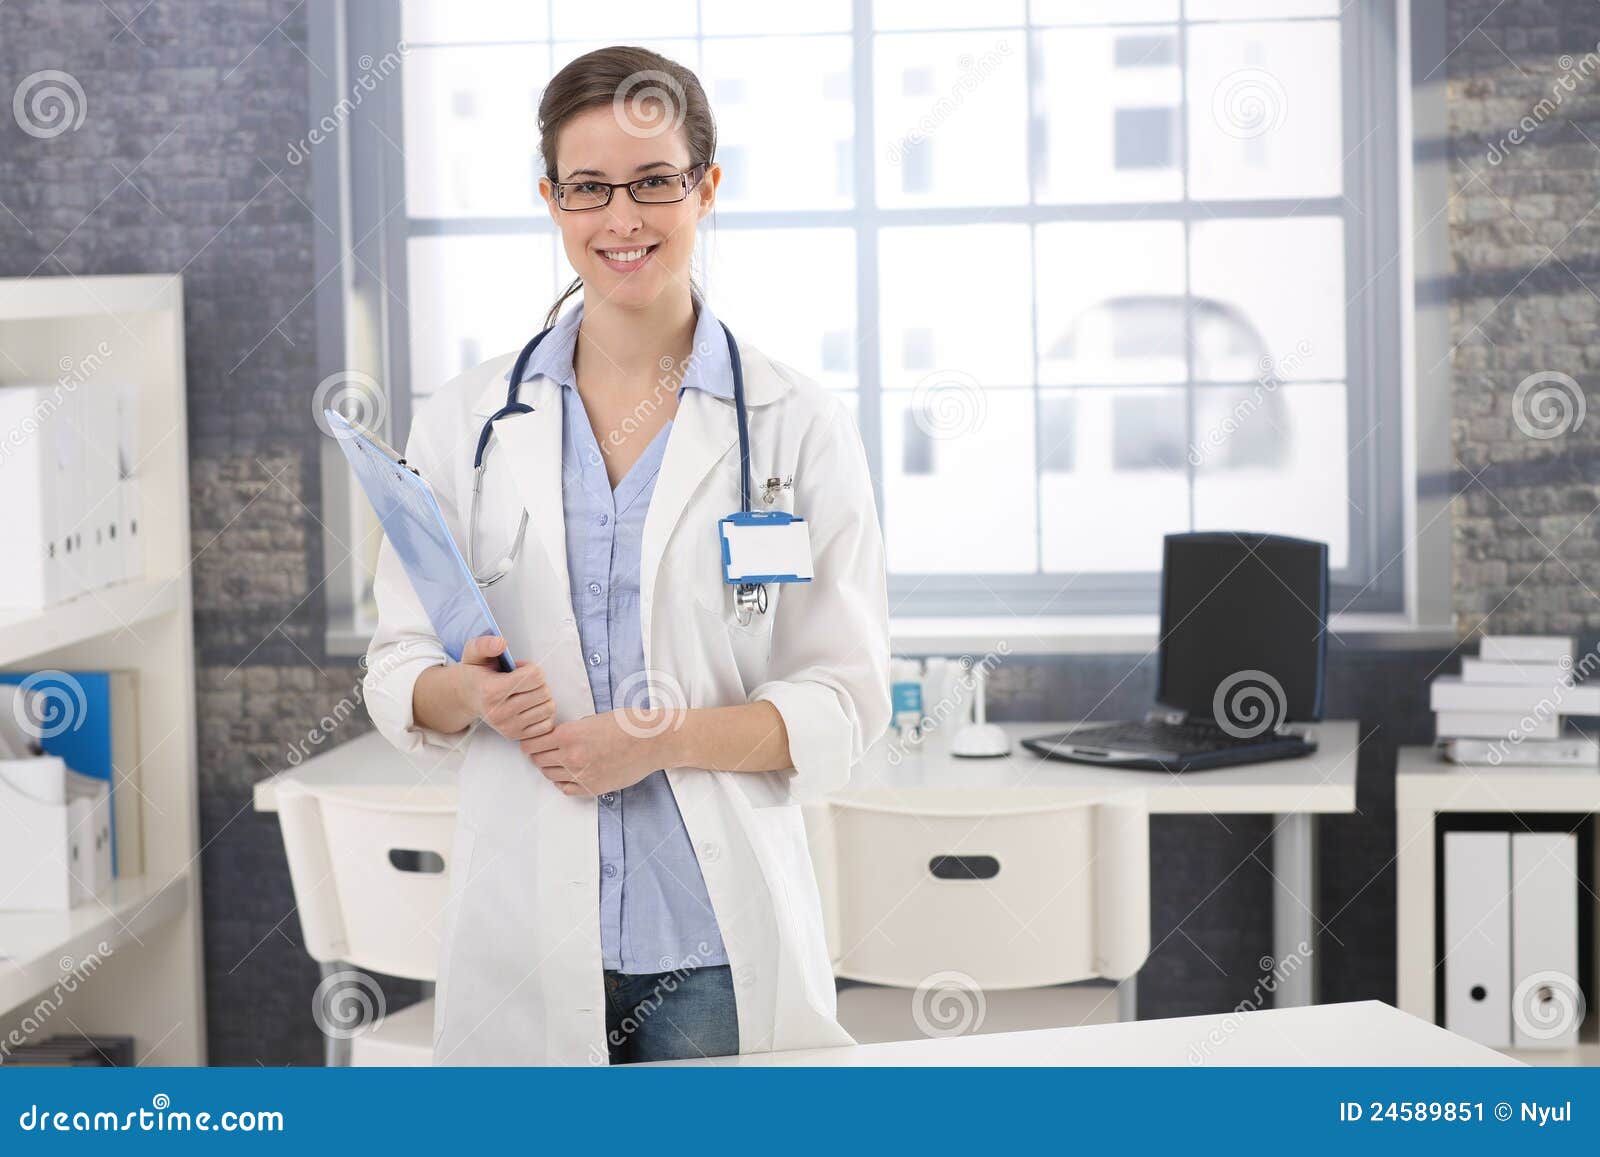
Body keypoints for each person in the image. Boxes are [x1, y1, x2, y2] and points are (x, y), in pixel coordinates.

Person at [363, 44, 890, 1065]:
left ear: (706, 188)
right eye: (589, 188)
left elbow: (846, 699)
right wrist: (465, 694)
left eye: (654, 182)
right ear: (551, 200)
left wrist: (657, 738)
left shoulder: (795, 423)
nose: (623, 219)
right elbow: (398, 668)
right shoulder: (466, 421)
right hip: (525, 925)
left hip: (707, 944)